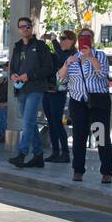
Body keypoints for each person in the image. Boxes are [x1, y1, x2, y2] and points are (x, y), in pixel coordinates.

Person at [60, 27, 112, 183]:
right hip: (78, 100)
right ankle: (78, 170)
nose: (85, 39)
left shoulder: (100, 55)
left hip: (98, 101)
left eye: (88, 36)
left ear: (92, 39)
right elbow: (60, 80)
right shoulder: (73, 58)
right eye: (82, 36)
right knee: (79, 137)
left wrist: (90, 57)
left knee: (101, 137)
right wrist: (67, 65)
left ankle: (107, 171)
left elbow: (102, 74)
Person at [7, 17, 54, 169]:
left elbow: (48, 68)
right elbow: (12, 67)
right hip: (21, 89)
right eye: (22, 27)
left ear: (32, 28)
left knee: (27, 122)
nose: (25, 29)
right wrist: (13, 75)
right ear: (18, 29)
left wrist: (30, 76)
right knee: (31, 123)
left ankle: (22, 153)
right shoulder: (17, 47)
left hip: (36, 88)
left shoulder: (41, 46)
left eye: (28, 26)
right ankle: (38, 156)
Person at [44, 31, 76, 163]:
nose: (64, 40)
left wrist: (54, 40)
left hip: (60, 92)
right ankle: (55, 151)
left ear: (73, 41)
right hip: (48, 89)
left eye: (67, 38)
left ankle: (65, 152)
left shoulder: (72, 55)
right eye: (62, 38)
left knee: (57, 122)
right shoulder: (57, 54)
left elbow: (63, 57)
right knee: (51, 122)